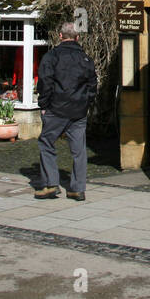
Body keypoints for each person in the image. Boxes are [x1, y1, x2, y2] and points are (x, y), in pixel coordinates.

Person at [34, 22, 98, 200]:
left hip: (56, 108)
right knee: (79, 150)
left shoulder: (51, 57)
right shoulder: (85, 59)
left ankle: (51, 184)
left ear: (60, 36)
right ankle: (77, 188)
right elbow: (92, 84)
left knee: (46, 142)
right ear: (77, 37)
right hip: (78, 111)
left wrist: (44, 105)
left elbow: (45, 83)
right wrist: (87, 103)